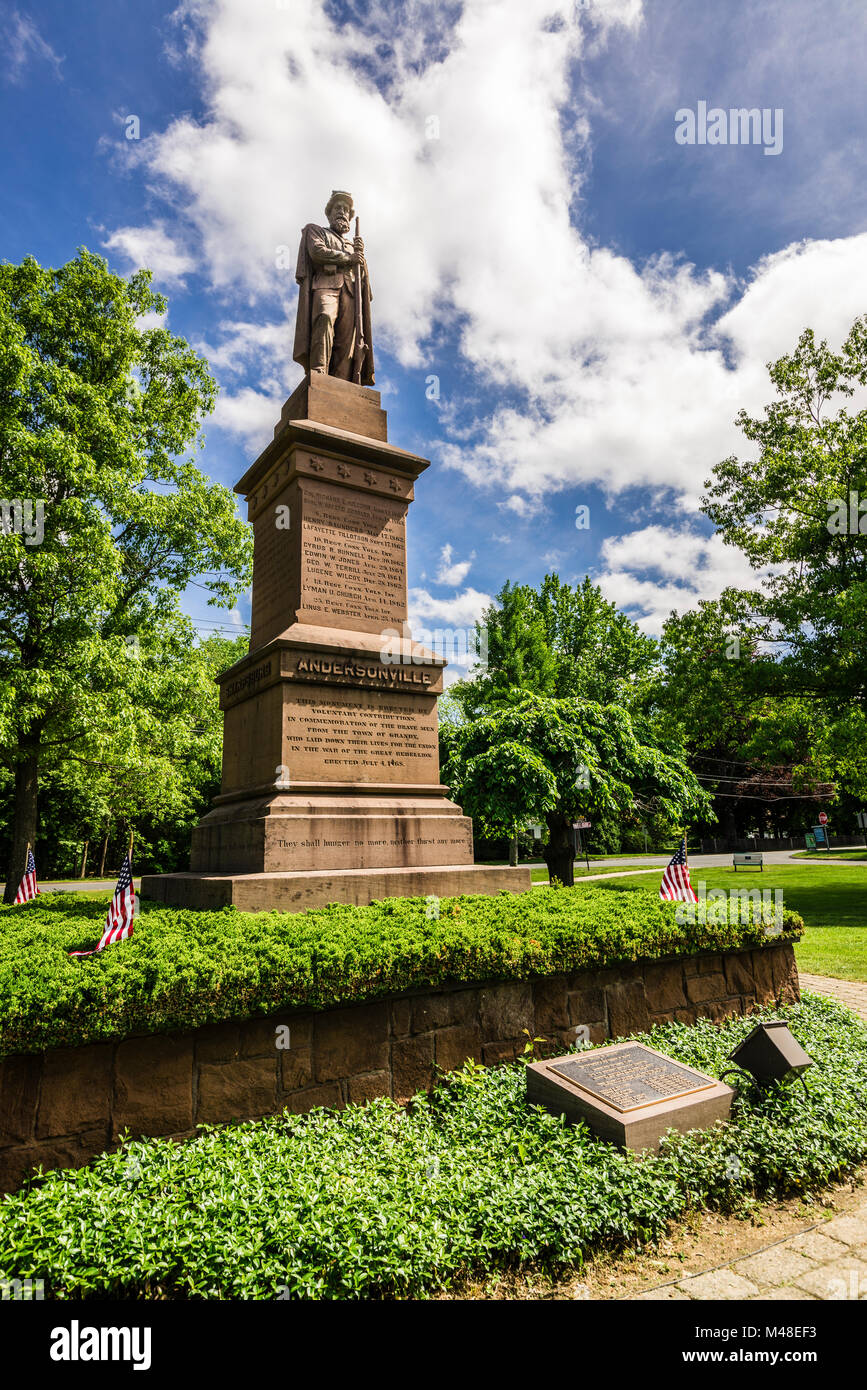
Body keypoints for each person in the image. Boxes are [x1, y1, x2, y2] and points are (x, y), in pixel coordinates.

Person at [292, 190, 374, 383]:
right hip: (326, 285)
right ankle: (318, 372)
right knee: (324, 318)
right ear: (329, 213)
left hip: (351, 293)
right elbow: (317, 251)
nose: (342, 212)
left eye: (346, 209)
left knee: (347, 340)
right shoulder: (316, 230)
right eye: (338, 207)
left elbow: (363, 279)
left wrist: (361, 261)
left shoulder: (354, 246)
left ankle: (340, 382)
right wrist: (349, 258)